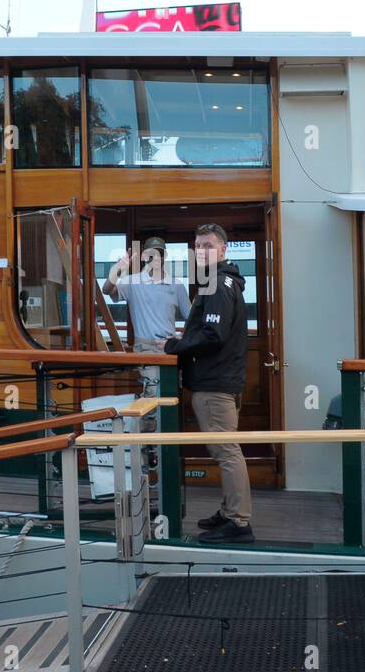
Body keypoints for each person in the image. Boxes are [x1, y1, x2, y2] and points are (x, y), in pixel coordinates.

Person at [164, 223, 253, 544]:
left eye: (208, 245)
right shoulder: (226, 281)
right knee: (226, 450)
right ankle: (229, 511)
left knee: (226, 452)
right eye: (197, 245)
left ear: (223, 249)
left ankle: (239, 522)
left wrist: (175, 345)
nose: (202, 251)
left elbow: (213, 336)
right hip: (222, 380)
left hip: (215, 384)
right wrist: (187, 337)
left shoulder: (217, 285)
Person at [103, 237, 191, 468]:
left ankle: (164, 461)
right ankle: (151, 462)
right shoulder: (132, 282)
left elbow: (192, 322)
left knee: (168, 405)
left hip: (171, 352)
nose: (154, 258)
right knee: (152, 406)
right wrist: (120, 266)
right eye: (150, 253)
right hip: (145, 351)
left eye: (159, 253)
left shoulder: (176, 285)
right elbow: (106, 289)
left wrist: (179, 338)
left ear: (165, 257)